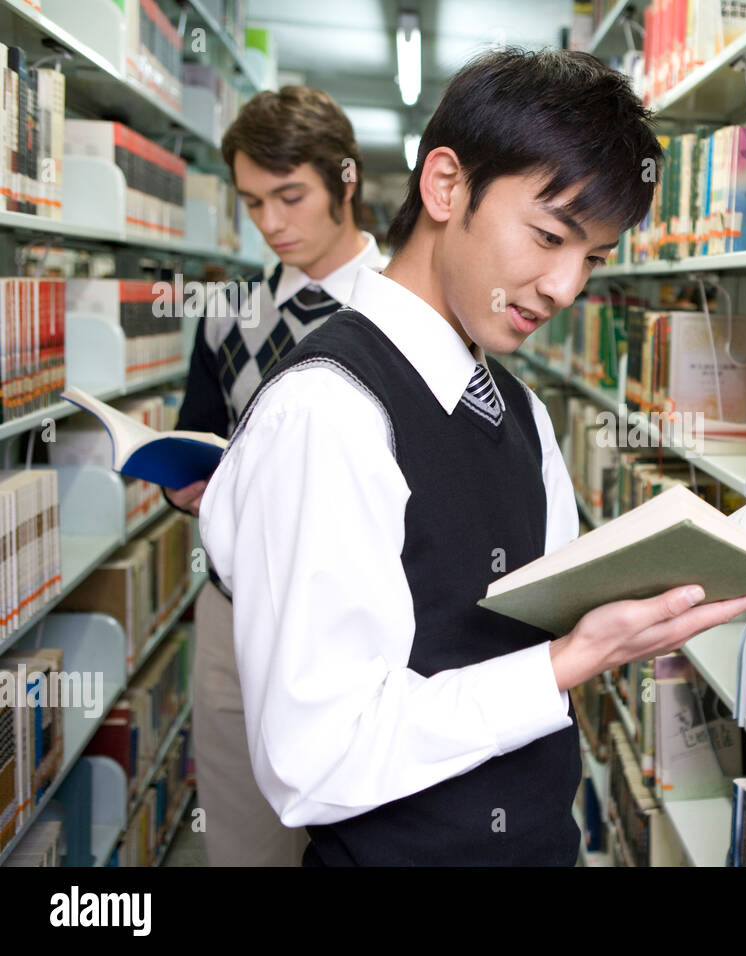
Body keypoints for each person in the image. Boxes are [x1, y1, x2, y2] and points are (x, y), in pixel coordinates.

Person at [197, 48, 746, 866]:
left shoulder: (523, 412)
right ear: (445, 186)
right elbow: (312, 761)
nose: (566, 287)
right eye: (548, 236)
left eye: (594, 259)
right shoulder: (325, 413)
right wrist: (570, 661)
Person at [162, 86, 388, 866]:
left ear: (345, 181)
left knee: (360, 836)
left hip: (370, 616)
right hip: (237, 611)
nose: (271, 223)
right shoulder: (227, 312)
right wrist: (182, 482)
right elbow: (202, 430)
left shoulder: (408, 310)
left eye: (290, 196)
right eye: (253, 202)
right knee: (244, 834)